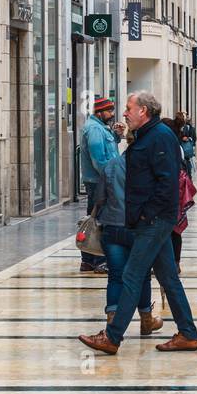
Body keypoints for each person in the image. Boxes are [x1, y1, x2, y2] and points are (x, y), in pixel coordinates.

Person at [79, 91, 197, 355]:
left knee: (132, 275)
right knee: (168, 278)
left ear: (143, 110)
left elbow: (167, 183)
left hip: (153, 221)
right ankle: (188, 334)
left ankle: (112, 337)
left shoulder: (159, 137)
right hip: (152, 219)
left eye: (129, 108)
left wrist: (146, 215)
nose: (124, 113)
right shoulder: (150, 135)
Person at [92, 152, 159, 336]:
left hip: (113, 227)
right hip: (139, 228)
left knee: (115, 275)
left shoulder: (111, 165)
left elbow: (99, 198)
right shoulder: (148, 167)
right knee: (143, 275)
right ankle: (146, 321)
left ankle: (112, 323)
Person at [78, 97, 119, 274]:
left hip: (98, 181)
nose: (112, 114)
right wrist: (112, 179)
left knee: (94, 218)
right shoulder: (94, 129)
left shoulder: (99, 127)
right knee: (100, 221)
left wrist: (115, 136)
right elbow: (99, 160)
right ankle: (99, 260)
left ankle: (88, 260)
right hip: (99, 182)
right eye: (109, 111)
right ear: (100, 112)